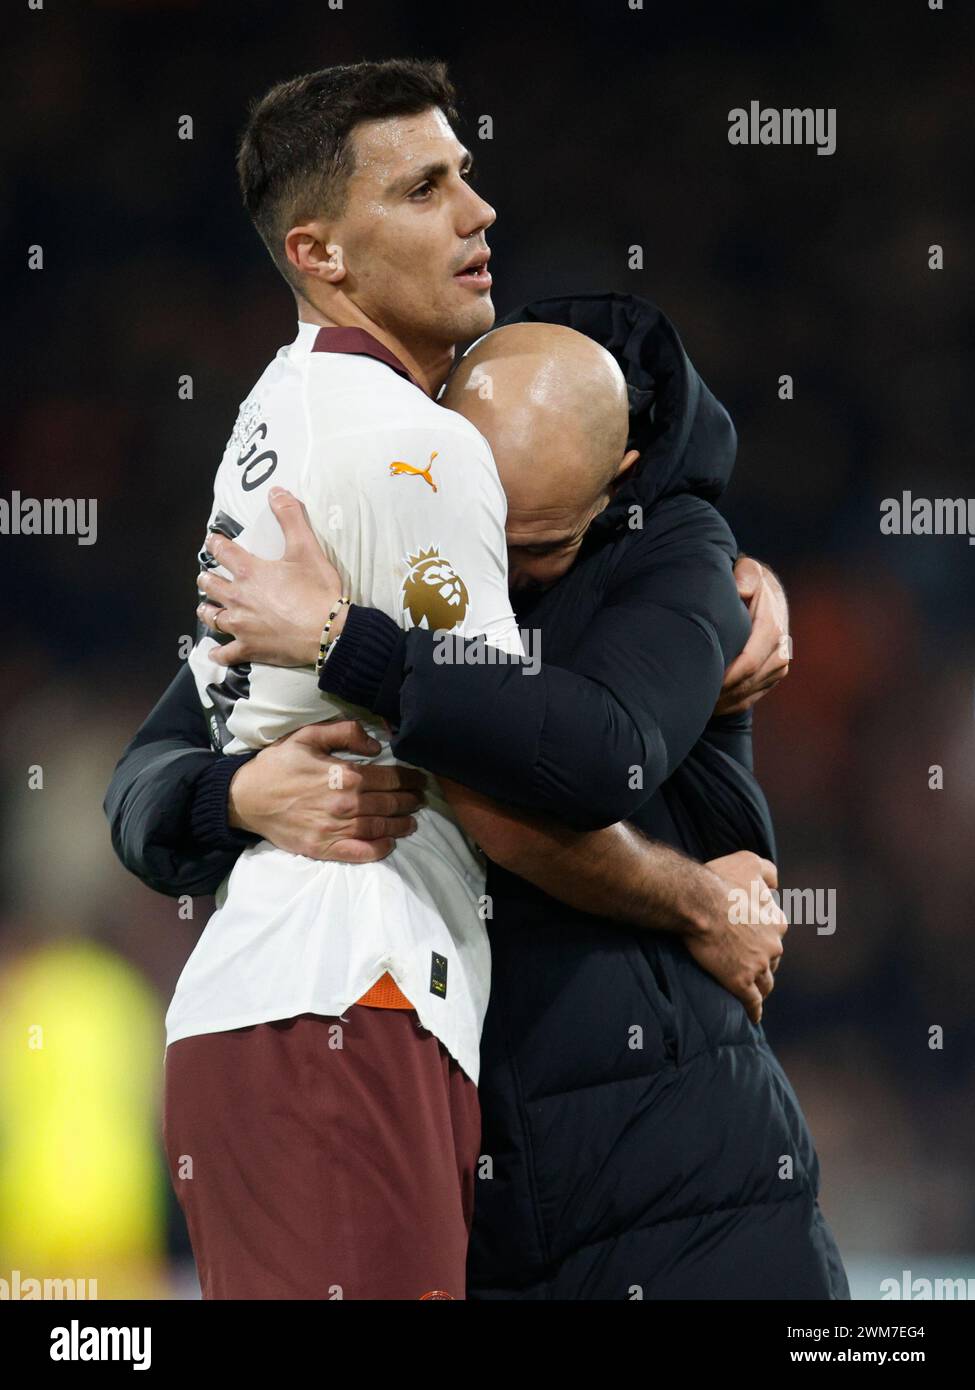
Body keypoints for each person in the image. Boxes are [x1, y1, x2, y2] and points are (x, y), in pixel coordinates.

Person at [105, 58, 796, 1301]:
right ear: (321, 252)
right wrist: (238, 794)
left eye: (467, 175)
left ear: (621, 474)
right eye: (427, 187)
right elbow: (495, 779)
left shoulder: (663, 541)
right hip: (363, 1013)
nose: (479, 210)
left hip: (658, 1171)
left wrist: (343, 653)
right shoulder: (408, 455)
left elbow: (596, 749)